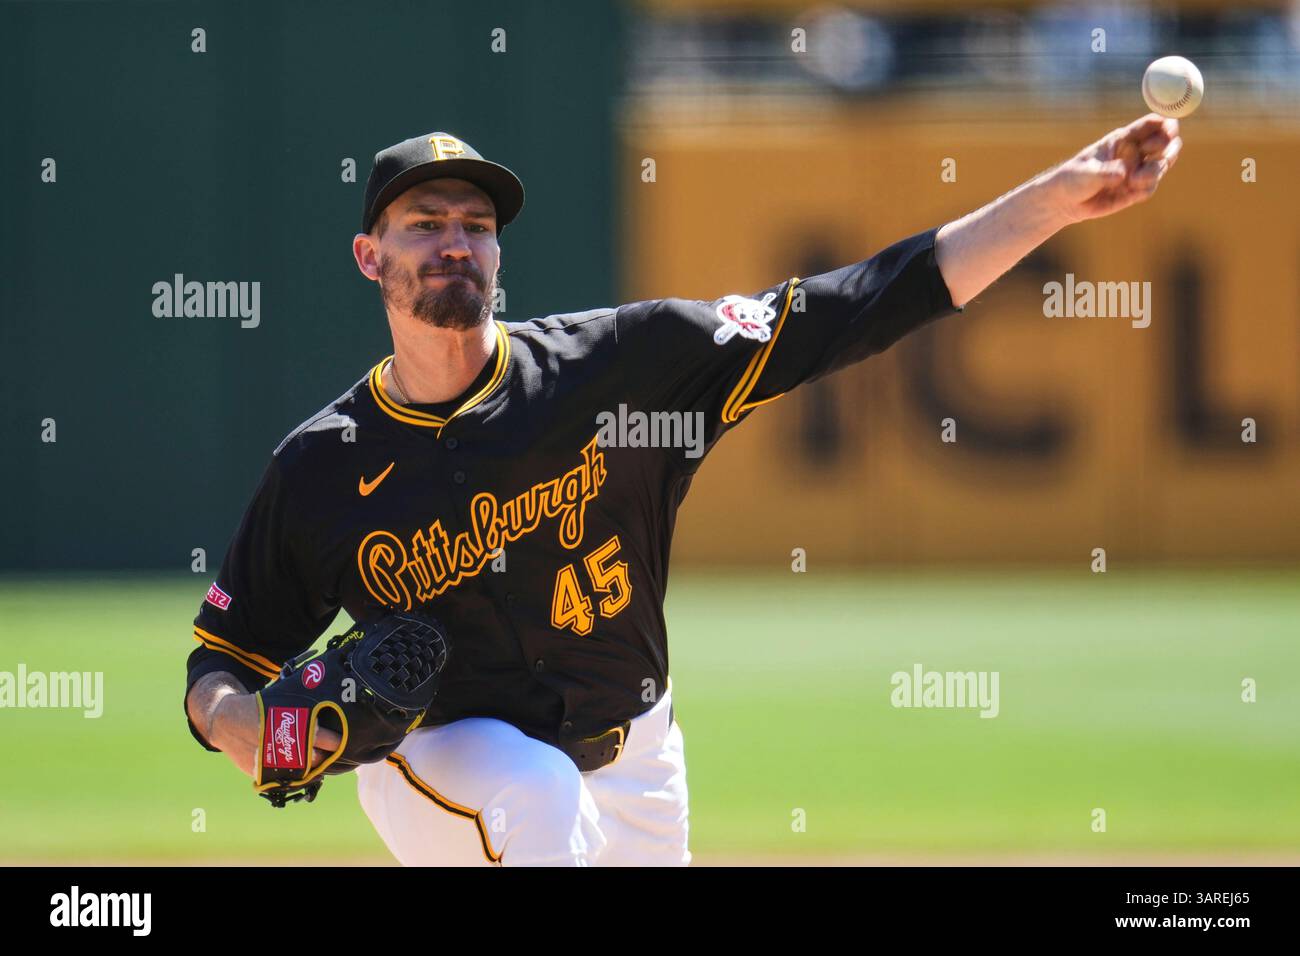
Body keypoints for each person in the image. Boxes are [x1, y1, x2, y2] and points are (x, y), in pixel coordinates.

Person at [184, 120, 1181, 866]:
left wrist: (1052, 197)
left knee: (566, 803)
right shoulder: (321, 464)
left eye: (476, 225)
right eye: (425, 223)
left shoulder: (616, 368)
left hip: (637, 756)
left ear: (498, 253)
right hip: (441, 756)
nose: (456, 241)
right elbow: (219, 664)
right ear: (371, 256)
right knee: (531, 790)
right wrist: (249, 726)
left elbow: (854, 306)